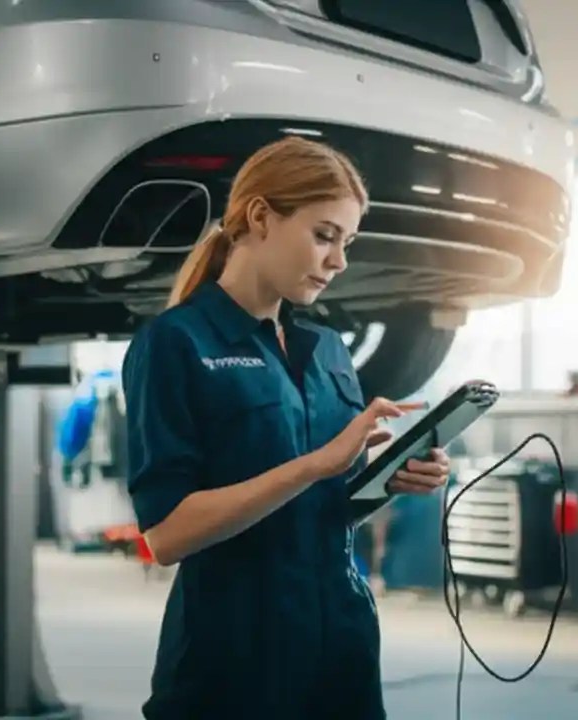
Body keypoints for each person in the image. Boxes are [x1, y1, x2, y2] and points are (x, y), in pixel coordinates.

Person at [121, 136, 451, 719]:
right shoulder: (177, 344)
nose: (339, 261)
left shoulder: (325, 349)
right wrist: (316, 464)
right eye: (324, 235)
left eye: (347, 242)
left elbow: (324, 506)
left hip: (340, 643)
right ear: (259, 218)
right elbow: (167, 535)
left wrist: (389, 481)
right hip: (234, 657)